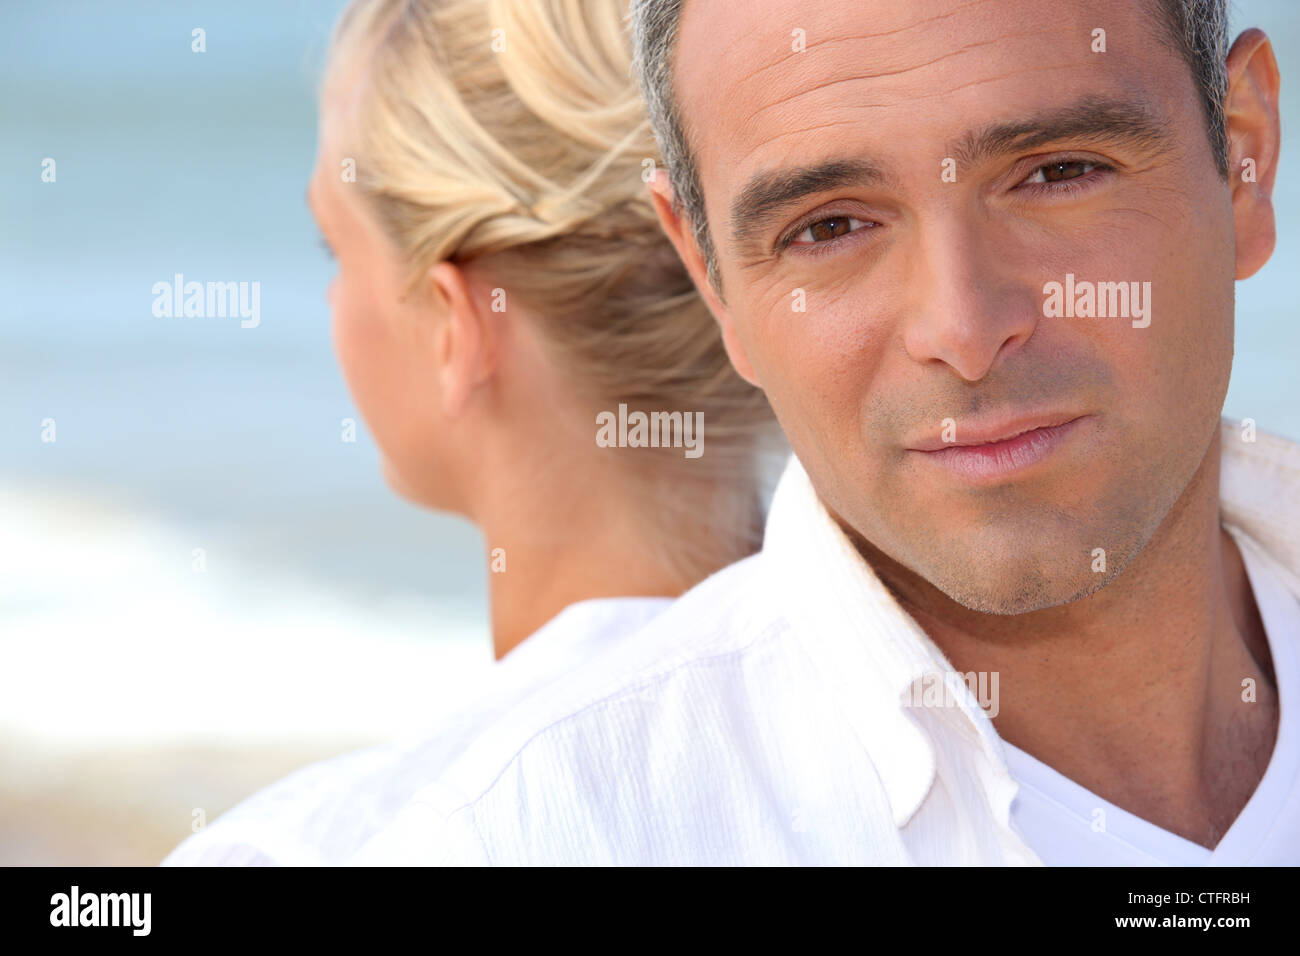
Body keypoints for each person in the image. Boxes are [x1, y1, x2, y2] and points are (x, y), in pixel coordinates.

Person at [334, 0, 1300, 865]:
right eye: (830, 227)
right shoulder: (526, 843)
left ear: (1245, 160)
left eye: (1056, 172)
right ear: (710, 274)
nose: (961, 328)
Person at [160, 0, 778, 866]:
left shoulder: (323, 847)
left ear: (457, 323)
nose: (335, 302)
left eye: (335, 251)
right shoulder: (973, 749)